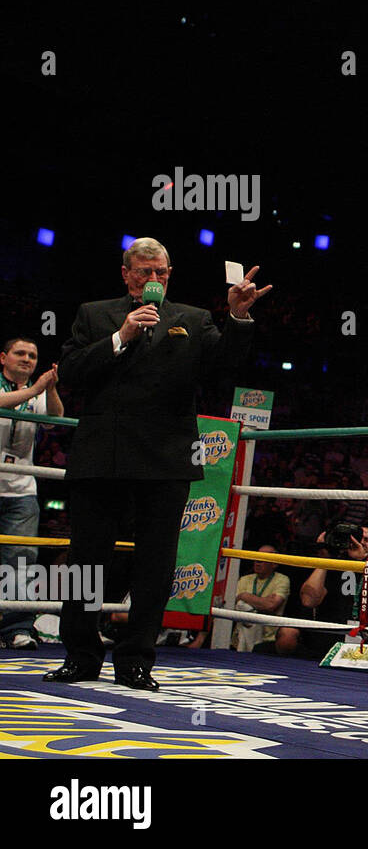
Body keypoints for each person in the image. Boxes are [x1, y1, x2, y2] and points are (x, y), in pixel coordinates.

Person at [45, 238, 267, 690]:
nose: (153, 280)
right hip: (101, 453)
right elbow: (70, 374)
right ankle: (81, 655)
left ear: (170, 273)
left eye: (161, 273)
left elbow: (224, 368)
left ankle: (135, 661)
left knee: (156, 563)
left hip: (166, 457)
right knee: (87, 560)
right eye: (144, 272)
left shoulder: (193, 318)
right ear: (126, 274)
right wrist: (120, 337)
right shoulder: (95, 314)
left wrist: (238, 316)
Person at [0, 336, 62, 648]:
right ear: (3, 357)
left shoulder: (35, 392)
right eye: (20, 353)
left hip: (21, 488)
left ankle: (16, 629)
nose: (27, 359)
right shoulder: (18, 389)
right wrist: (35, 389)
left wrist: (49, 389)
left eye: (33, 355)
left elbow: (54, 420)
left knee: (19, 561)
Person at [279, 527, 368, 658]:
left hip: (365, 636)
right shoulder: (335, 563)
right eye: (358, 537)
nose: (361, 542)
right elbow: (309, 600)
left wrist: (366, 560)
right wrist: (325, 559)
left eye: (367, 539)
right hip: (329, 634)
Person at [232, 545, 290, 652]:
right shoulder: (245, 579)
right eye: (256, 557)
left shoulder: (282, 580)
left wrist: (245, 596)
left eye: (262, 558)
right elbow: (233, 603)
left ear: (274, 564)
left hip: (267, 640)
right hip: (239, 638)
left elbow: (271, 605)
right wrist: (263, 601)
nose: (257, 562)